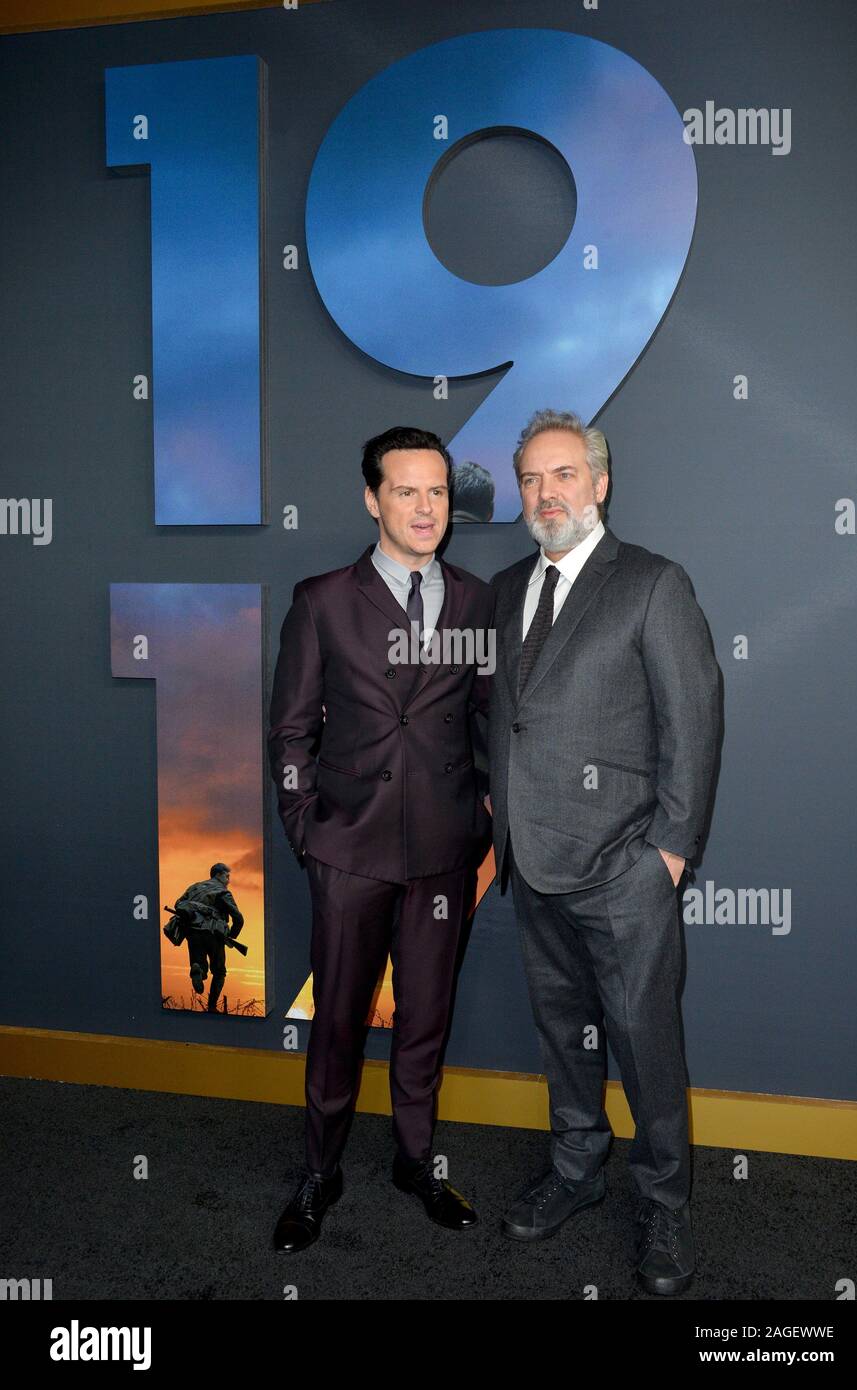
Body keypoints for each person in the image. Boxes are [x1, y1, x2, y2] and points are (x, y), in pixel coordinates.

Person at [487, 409, 721, 1295]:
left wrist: (669, 852)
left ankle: (666, 1205)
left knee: (647, 1046)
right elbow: (507, 719)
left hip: (624, 871)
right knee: (563, 1038)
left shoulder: (653, 585)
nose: (547, 495)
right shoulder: (508, 587)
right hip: (532, 865)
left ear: (600, 483)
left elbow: (695, 722)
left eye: (563, 476)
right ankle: (576, 1173)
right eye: (531, 481)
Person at [267, 425, 494, 1252]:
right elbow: (289, 732)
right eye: (406, 490)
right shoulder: (322, 600)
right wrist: (307, 832)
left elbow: (490, 720)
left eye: (437, 490)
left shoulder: (476, 602)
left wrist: (488, 819)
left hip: (443, 858)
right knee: (336, 1024)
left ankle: (415, 1160)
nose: (426, 506)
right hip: (348, 853)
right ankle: (319, 1174)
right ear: (373, 499)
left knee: (426, 1021)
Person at [175, 863, 244, 1014]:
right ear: (218, 875)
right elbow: (238, 918)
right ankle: (211, 1007)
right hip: (214, 934)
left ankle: (198, 969)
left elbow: (178, 904)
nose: (228, 880)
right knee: (219, 972)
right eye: (227, 876)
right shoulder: (222, 891)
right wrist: (231, 936)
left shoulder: (194, 887)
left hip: (192, 932)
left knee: (198, 962)